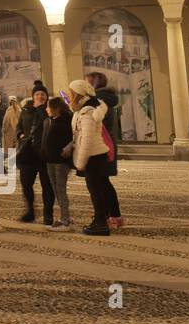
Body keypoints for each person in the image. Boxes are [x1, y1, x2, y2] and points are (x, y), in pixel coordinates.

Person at [68, 78, 119, 235]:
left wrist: (81, 162)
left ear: (78, 93)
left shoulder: (87, 111)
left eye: (71, 92)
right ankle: (101, 219)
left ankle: (100, 223)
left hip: (93, 156)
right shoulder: (83, 109)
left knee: (96, 191)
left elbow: (88, 139)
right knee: (99, 189)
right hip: (96, 155)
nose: (69, 95)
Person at [14, 86, 54, 223]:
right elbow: (19, 126)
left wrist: (41, 108)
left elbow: (48, 123)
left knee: (47, 186)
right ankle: (30, 211)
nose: (40, 97)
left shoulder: (50, 111)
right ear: (33, 96)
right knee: (26, 184)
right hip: (27, 153)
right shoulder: (25, 111)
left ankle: (48, 214)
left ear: (46, 97)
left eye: (43, 94)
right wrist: (20, 134)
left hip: (44, 153)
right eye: (37, 94)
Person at [41, 96, 73, 230]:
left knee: (61, 190)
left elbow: (75, 136)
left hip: (60, 161)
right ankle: (65, 216)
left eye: (48, 107)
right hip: (50, 160)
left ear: (56, 108)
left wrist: (69, 147)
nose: (47, 109)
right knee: (56, 190)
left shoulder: (66, 120)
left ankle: (65, 220)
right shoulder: (51, 120)